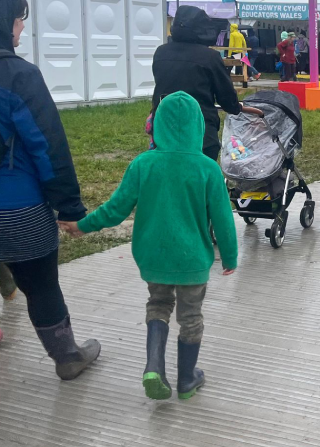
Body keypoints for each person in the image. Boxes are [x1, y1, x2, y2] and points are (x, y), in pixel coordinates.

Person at [61, 91, 238, 401]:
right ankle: (186, 379)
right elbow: (223, 219)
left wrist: (82, 226)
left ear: (158, 125)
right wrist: (230, 256)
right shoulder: (208, 168)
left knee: (158, 305)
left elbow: (115, 209)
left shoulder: (143, 164)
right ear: (199, 126)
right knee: (191, 317)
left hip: (153, 257)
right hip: (192, 261)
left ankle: (154, 367)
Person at [0, 0, 99, 378]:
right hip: (17, 207)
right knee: (41, 286)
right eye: (21, 20)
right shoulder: (19, 76)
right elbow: (48, 147)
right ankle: (68, 358)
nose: (23, 29)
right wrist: (70, 207)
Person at [152, 5, 257, 162]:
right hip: (199, 127)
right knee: (201, 171)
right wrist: (235, 107)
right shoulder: (210, 57)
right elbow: (225, 95)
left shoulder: (161, 52)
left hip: (164, 123)